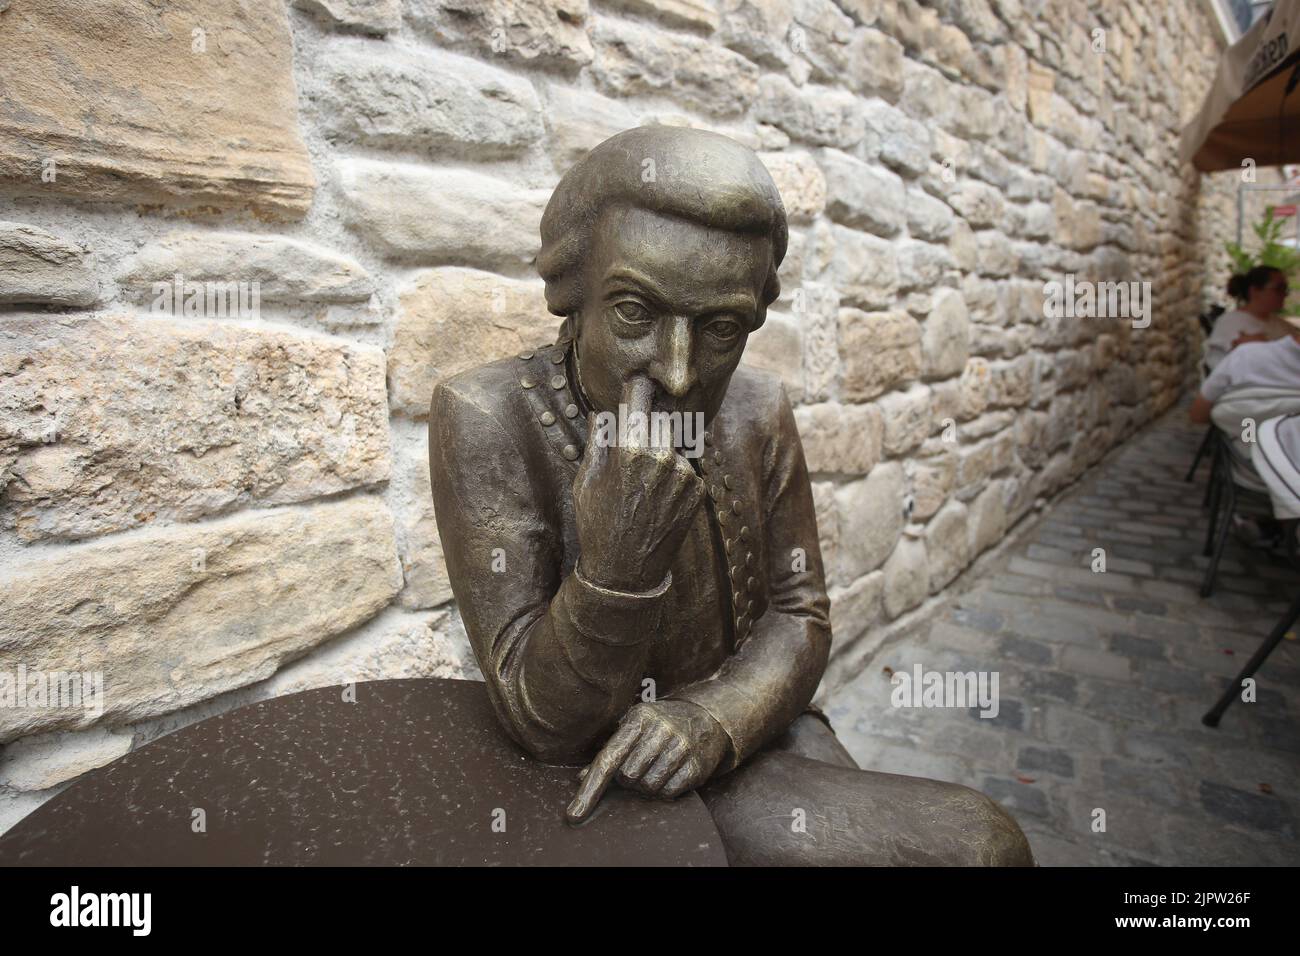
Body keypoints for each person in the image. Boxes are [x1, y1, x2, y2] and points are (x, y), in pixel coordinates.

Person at [428, 126, 1033, 865]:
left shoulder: (757, 410)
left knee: (971, 846)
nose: (679, 373)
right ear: (571, 296)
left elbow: (800, 611)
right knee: (982, 848)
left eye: (719, 328)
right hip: (601, 774)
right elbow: (541, 720)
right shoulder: (488, 418)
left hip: (751, 725)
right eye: (634, 314)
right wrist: (616, 570)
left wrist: (713, 718)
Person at [1202, 266, 1291, 371]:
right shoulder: (1231, 323)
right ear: (1255, 291)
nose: (1285, 294)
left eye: (1285, 289)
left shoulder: (1279, 323)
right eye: (1279, 289)